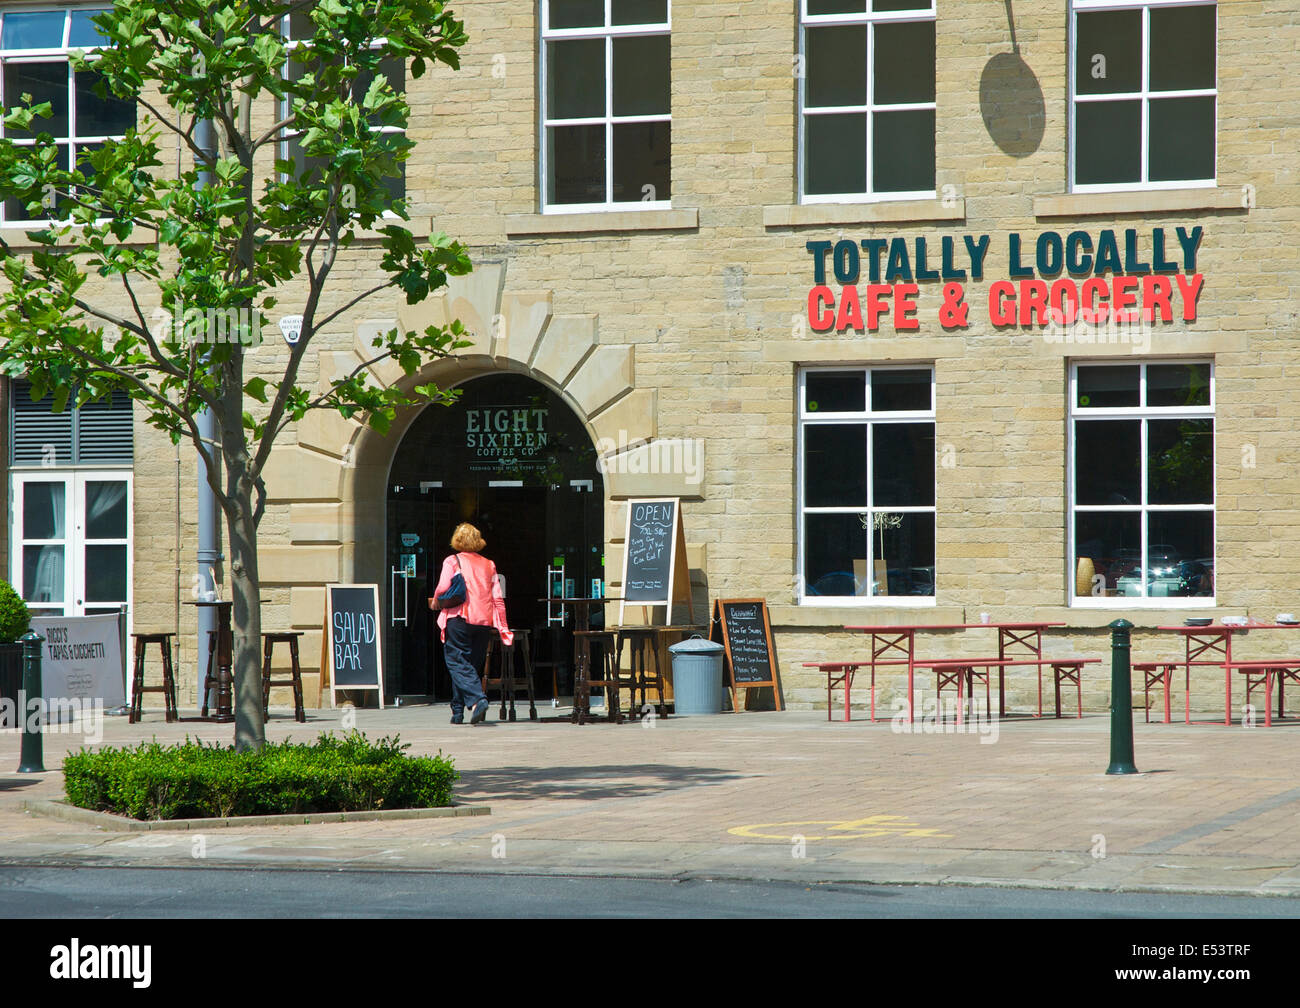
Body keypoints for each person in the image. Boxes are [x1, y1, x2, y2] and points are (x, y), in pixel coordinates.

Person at [429, 522, 513, 725]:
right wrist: (503, 627)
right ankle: (457, 712)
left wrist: (436, 599)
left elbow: (442, 586)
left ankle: (478, 699)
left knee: (457, 662)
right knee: (468, 668)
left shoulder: (453, 560)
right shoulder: (489, 564)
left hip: (460, 618)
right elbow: (497, 598)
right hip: (483, 621)